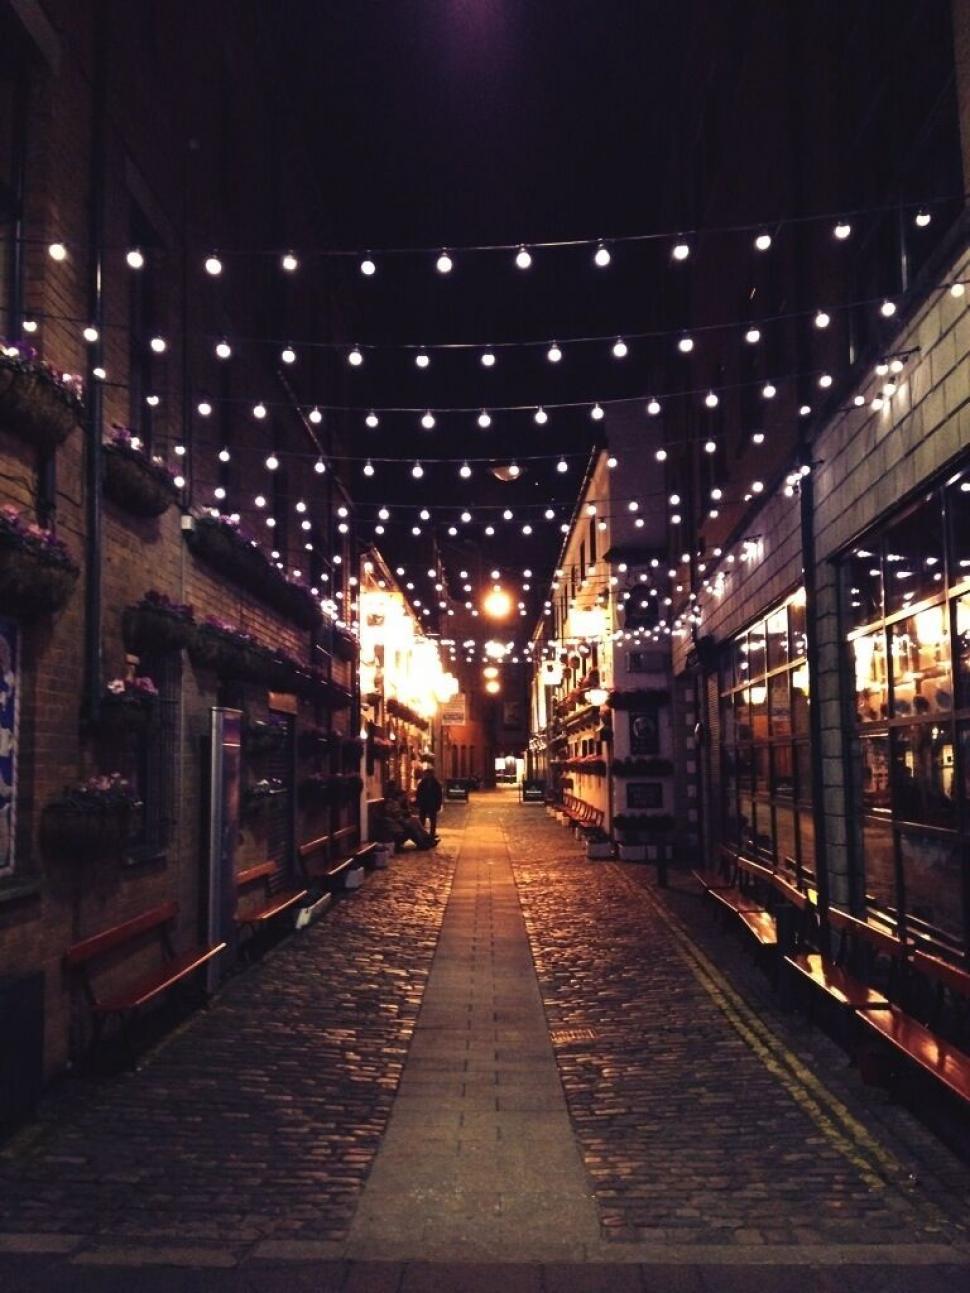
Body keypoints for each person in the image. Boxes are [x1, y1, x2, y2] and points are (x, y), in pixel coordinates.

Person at [415, 767, 443, 841]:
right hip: (423, 804)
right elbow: (418, 793)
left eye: (429, 774)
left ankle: (432, 834)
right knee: (422, 820)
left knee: (433, 820)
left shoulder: (436, 783)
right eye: (426, 774)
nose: (427, 775)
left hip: (432, 804)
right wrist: (418, 802)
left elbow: (439, 795)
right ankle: (422, 834)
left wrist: (439, 804)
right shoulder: (422, 783)